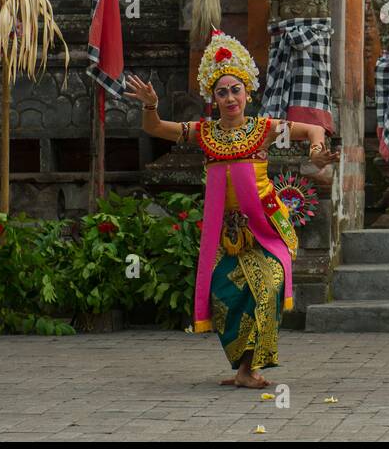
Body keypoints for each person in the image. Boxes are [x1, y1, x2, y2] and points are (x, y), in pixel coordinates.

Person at [123, 30, 337, 388]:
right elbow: (156, 128)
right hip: (226, 233)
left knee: (267, 287)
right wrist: (150, 104)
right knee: (225, 296)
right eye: (221, 92)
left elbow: (314, 130)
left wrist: (316, 155)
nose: (229, 97)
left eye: (235, 89)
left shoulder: (265, 129)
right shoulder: (202, 133)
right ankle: (242, 368)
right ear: (213, 98)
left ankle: (249, 369)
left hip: (266, 228)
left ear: (247, 92)